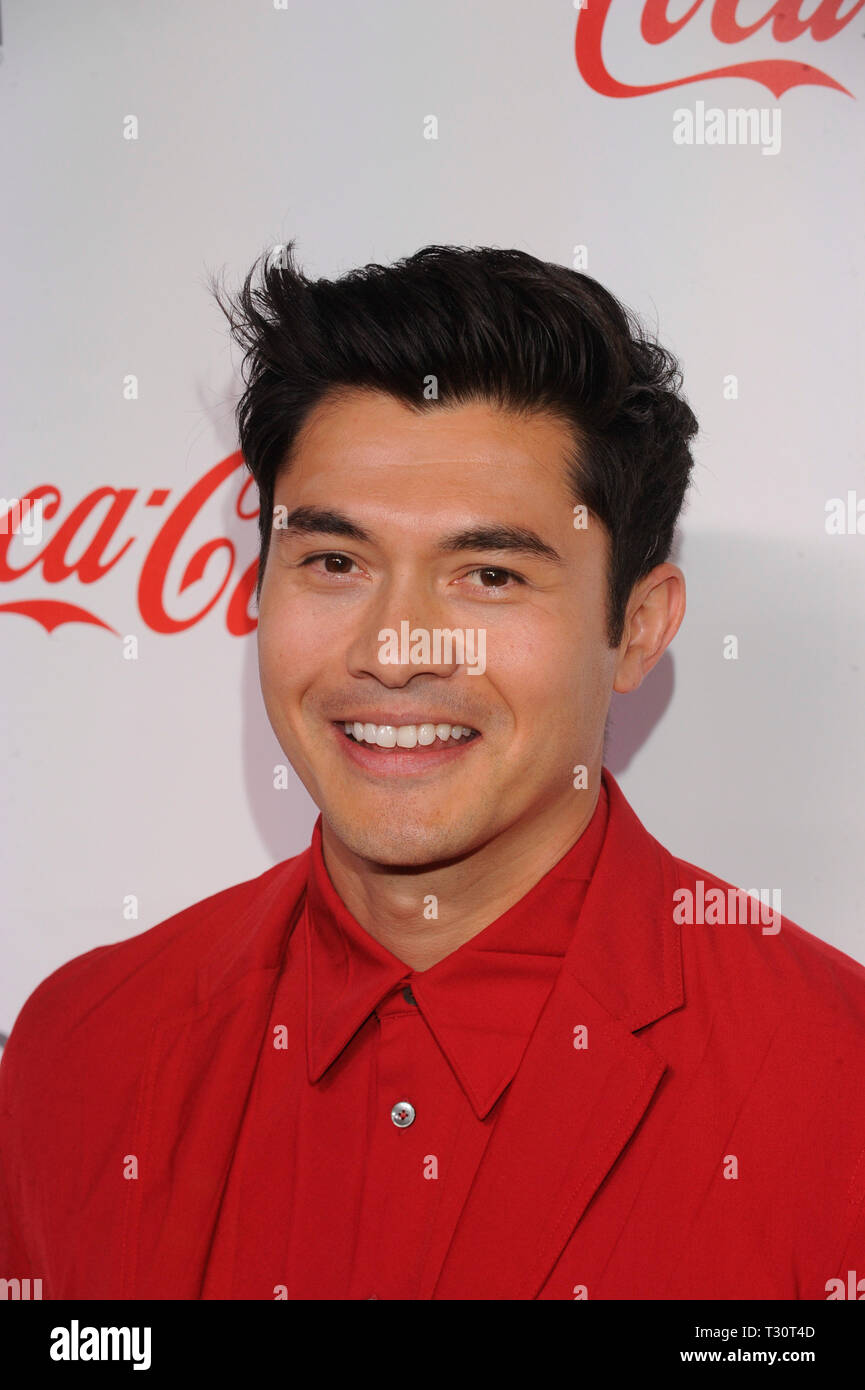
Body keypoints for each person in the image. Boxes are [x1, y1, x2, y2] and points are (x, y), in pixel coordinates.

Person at [2, 243, 864, 1301]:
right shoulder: (84, 1051)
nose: (397, 647)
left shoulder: (834, 1088)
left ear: (637, 628)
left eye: (488, 575)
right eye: (334, 562)